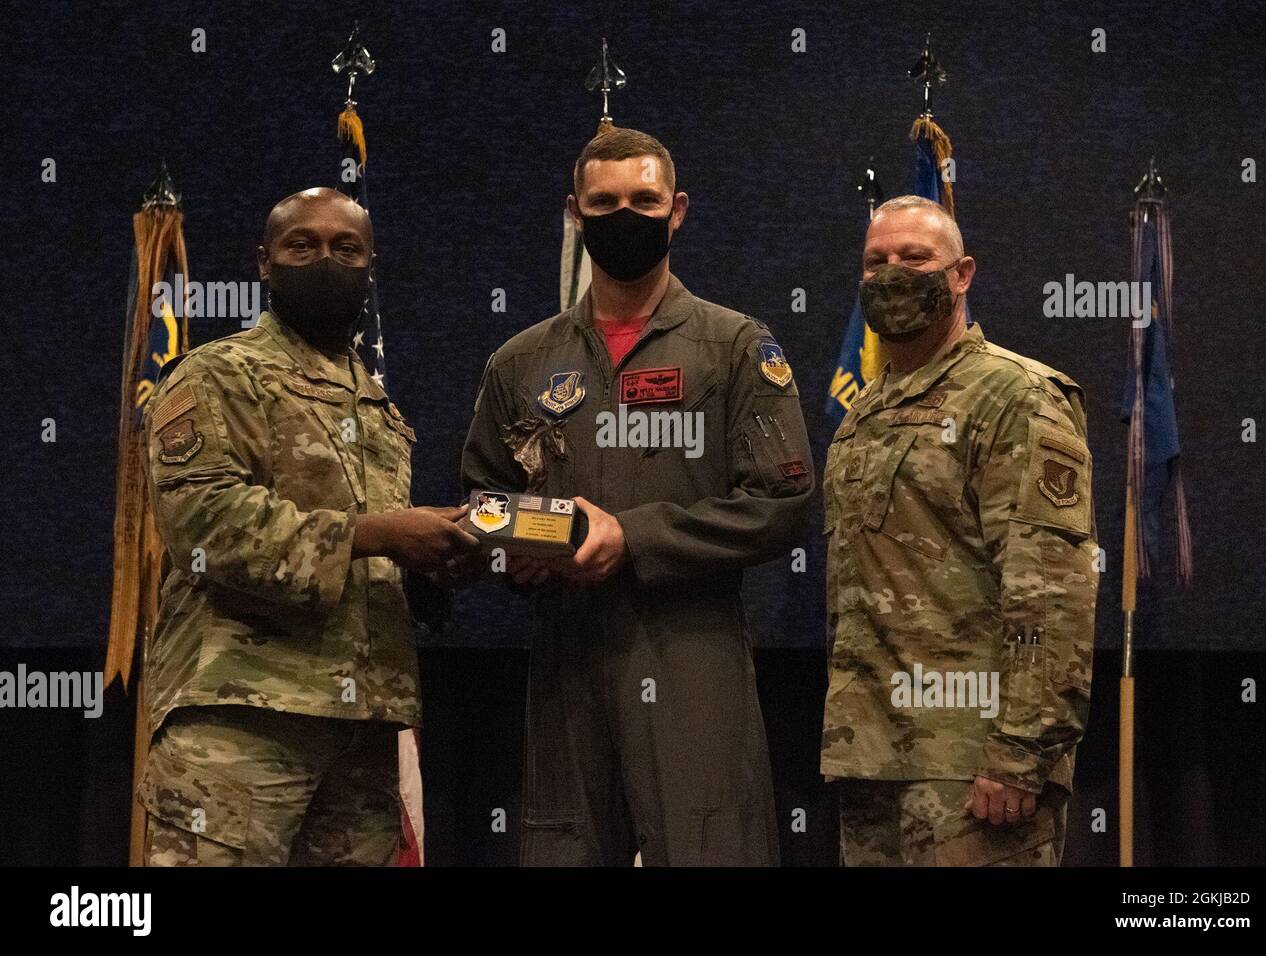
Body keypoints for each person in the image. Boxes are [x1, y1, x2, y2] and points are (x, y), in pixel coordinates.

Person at [462, 128, 814, 866]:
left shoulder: (738, 347)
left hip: (691, 652)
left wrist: (634, 538)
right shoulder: (522, 360)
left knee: (710, 848)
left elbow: (780, 504)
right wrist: (515, 551)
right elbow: (484, 498)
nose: (626, 214)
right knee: (563, 851)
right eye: (605, 202)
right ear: (575, 213)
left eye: (644, 201)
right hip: (565, 656)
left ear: (676, 210)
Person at [138, 187, 478, 866]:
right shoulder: (215, 374)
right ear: (264, 263)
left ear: (370, 263)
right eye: (303, 244)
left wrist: (433, 563)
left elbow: (375, 555)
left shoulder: (379, 406)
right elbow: (206, 527)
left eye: (346, 248)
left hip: (363, 723)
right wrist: (380, 534)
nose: (326, 258)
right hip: (242, 715)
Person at [822, 195, 1098, 866]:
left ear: (962, 274)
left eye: (915, 258)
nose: (893, 274)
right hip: (875, 758)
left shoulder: (1016, 395)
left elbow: (1052, 594)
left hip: (974, 766)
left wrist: (1019, 754)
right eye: (876, 261)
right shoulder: (867, 410)